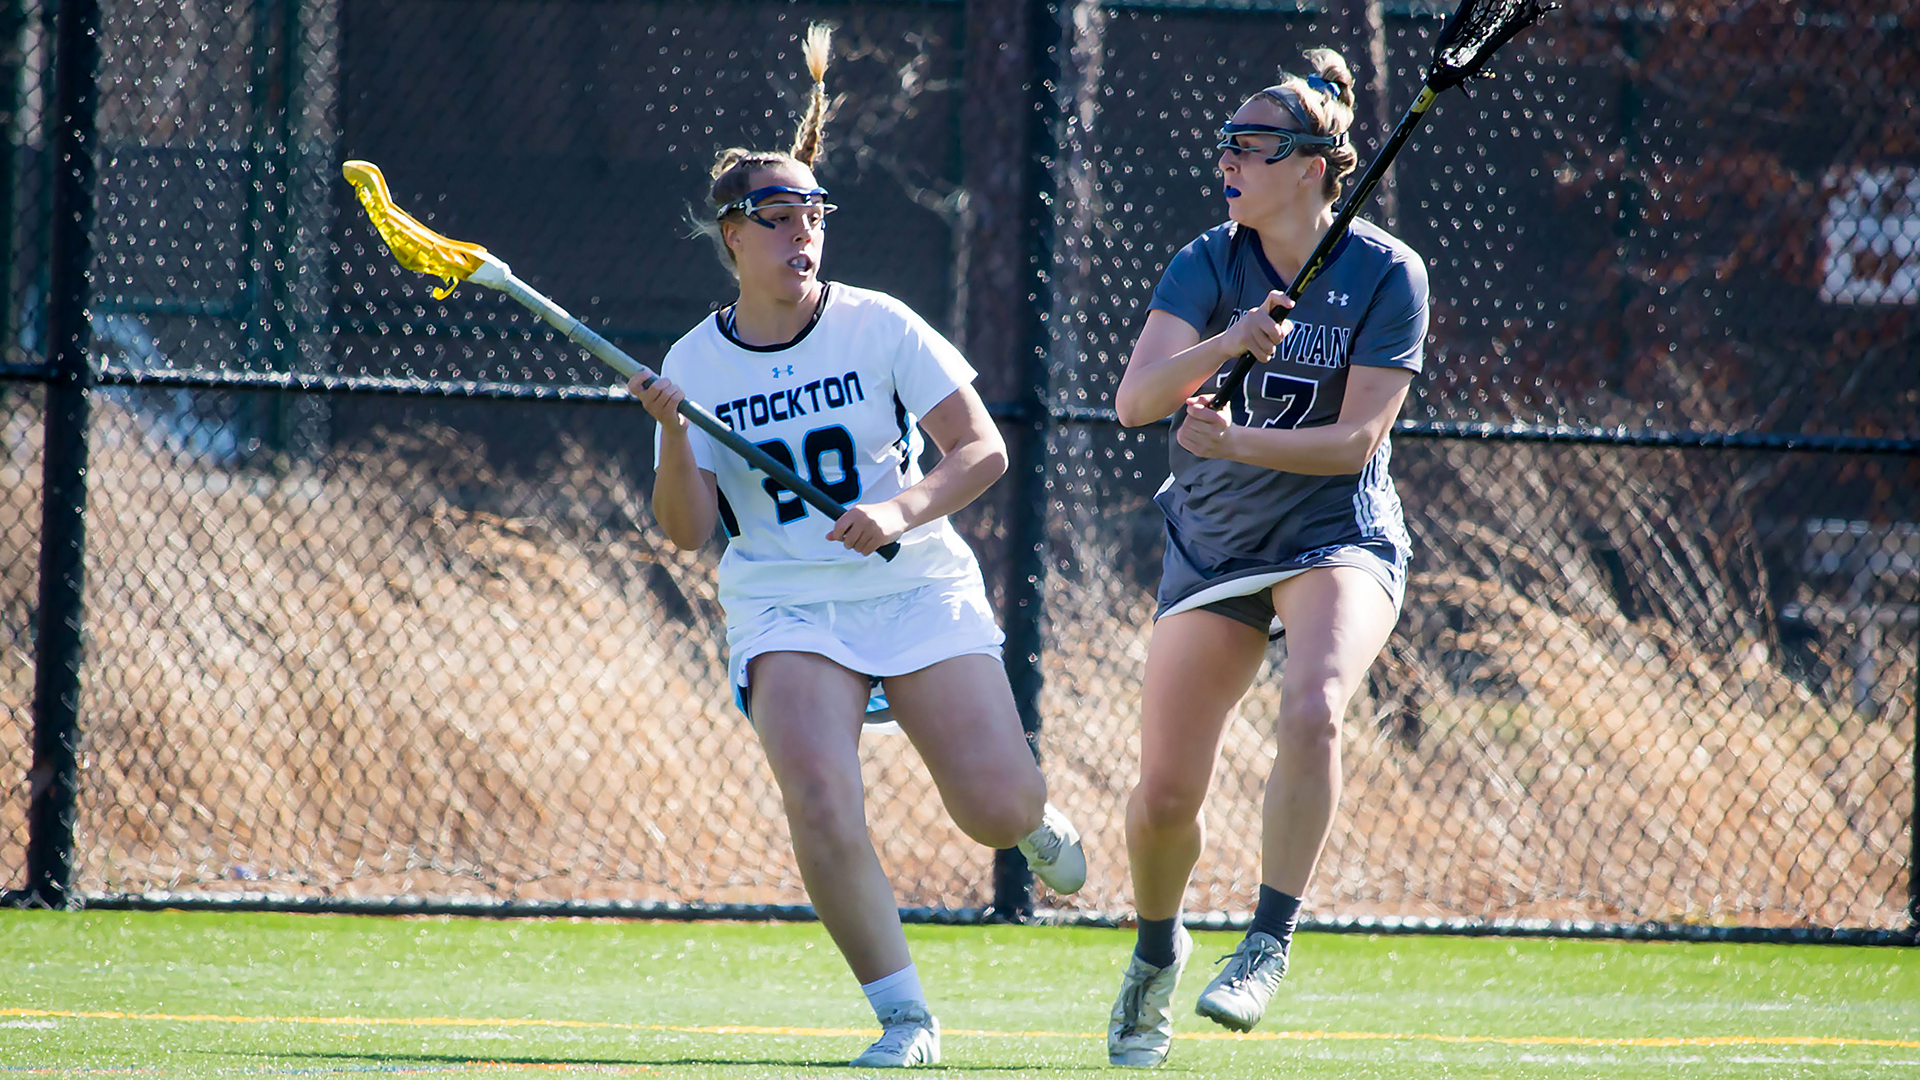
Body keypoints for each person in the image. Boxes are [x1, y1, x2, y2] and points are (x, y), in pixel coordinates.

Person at [629, 25, 1085, 1070]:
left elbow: (981, 451)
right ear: (732, 236)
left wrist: (900, 512)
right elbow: (688, 532)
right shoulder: (694, 362)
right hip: (788, 605)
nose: (802, 234)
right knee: (823, 800)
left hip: (913, 585)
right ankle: (906, 1019)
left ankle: (1032, 818)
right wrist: (674, 432)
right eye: (778, 218)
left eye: (814, 216)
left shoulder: (880, 324)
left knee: (996, 807)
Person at [1104, 47, 1431, 1067]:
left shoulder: (1388, 273)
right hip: (1215, 542)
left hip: (1336, 533)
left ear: (1313, 168)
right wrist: (1229, 342)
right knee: (1166, 797)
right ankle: (1155, 953)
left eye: (1252, 146)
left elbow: (1354, 444)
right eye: (1226, 145)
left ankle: (1267, 940)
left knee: (1315, 705)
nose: (1228, 162)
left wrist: (1235, 439)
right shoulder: (1209, 261)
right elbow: (1136, 401)